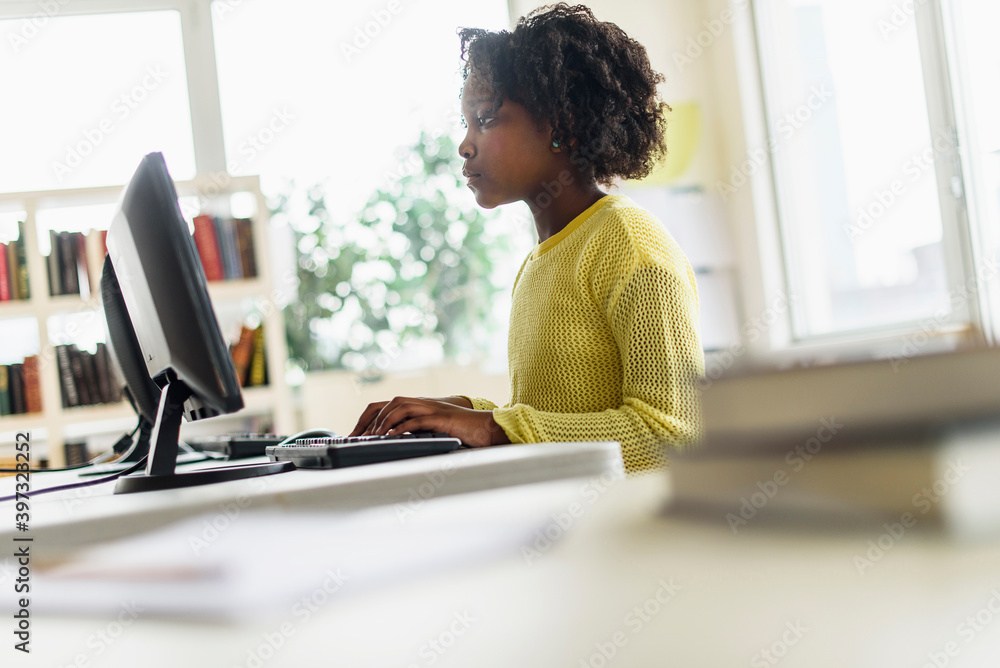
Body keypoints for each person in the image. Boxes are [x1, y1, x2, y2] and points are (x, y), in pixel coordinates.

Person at [350, 3, 704, 474]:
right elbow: (556, 417)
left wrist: (493, 426)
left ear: (562, 125)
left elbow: (673, 435)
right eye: (466, 123)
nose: (465, 144)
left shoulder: (629, 243)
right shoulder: (540, 261)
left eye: (487, 119)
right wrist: (459, 411)